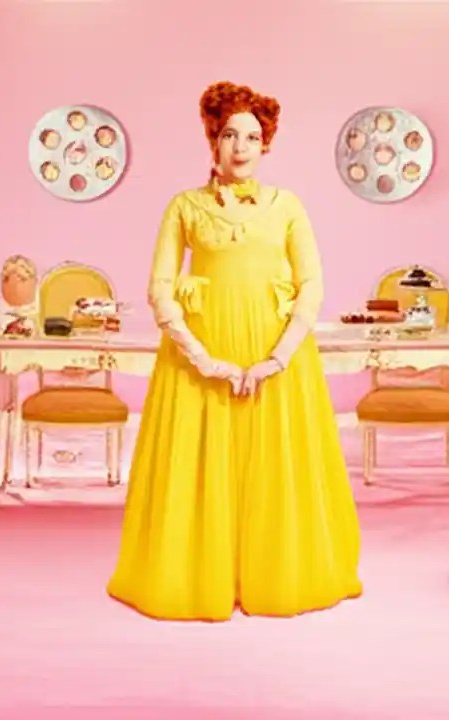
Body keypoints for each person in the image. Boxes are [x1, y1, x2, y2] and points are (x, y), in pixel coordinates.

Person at [106, 81, 362, 622]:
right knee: (202, 466)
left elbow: (312, 285)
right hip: (201, 356)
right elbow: (159, 289)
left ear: (266, 144)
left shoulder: (287, 205)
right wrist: (204, 359)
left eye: (252, 136)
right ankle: (199, 577)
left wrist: (277, 357)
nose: (240, 146)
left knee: (274, 466)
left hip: (278, 359)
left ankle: (274, 575)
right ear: (212, 140)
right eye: (229, 134)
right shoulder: (184, 206)